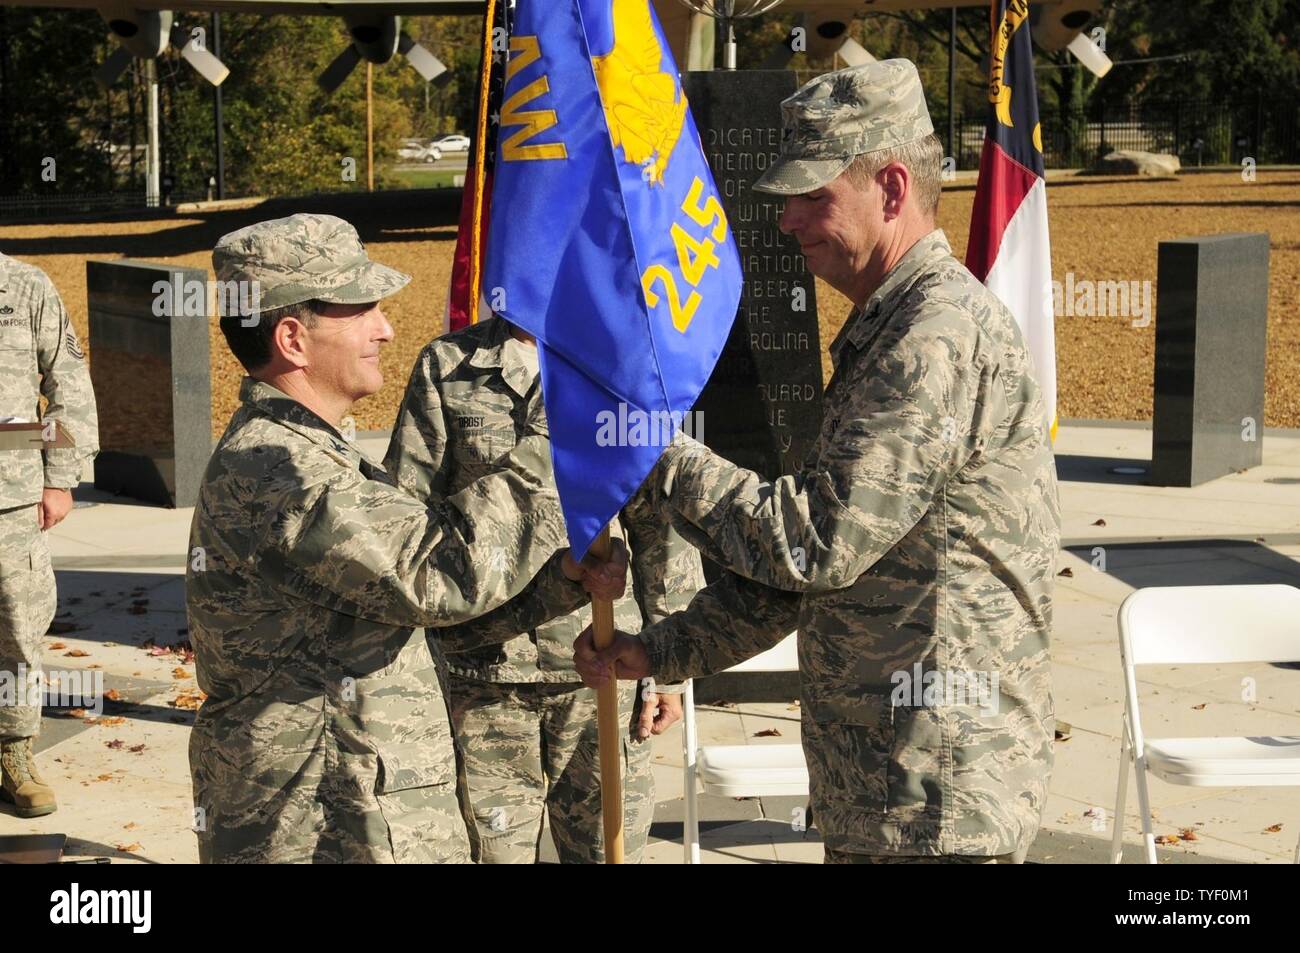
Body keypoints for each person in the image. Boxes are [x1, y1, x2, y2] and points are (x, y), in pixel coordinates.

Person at [576, 60, 1061, 864]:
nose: (788, 220)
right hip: (887, 782)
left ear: (893, 189)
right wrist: (661, 651)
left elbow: (817, 542)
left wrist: (654, 449)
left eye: (814, 196)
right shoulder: (891, 328)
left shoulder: (931, 339)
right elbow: (812, 569)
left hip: (932, 793)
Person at [188, 214, 625, 863]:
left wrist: (563, 576)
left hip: (355, 814)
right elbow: (434, 574)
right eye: (361, 309)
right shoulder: (276, 469)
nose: (385, 328)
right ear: (293, 338)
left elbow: (394, 601)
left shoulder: (310, 453)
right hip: (321, 830)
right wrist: (565, 443)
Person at [385, 315, 703, 863]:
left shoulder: (621, 365)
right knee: (491, 853)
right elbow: (408, 517)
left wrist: (668, 670)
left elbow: (659, 532)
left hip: (601, 669)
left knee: (612, 850)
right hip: (484, 672)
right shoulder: (450, 366)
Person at [0, 252, 99, 818]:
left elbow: (68, 380)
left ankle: (14, 753)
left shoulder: (24, 285)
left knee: (17, 629)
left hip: (10, 495)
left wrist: (61, 478)